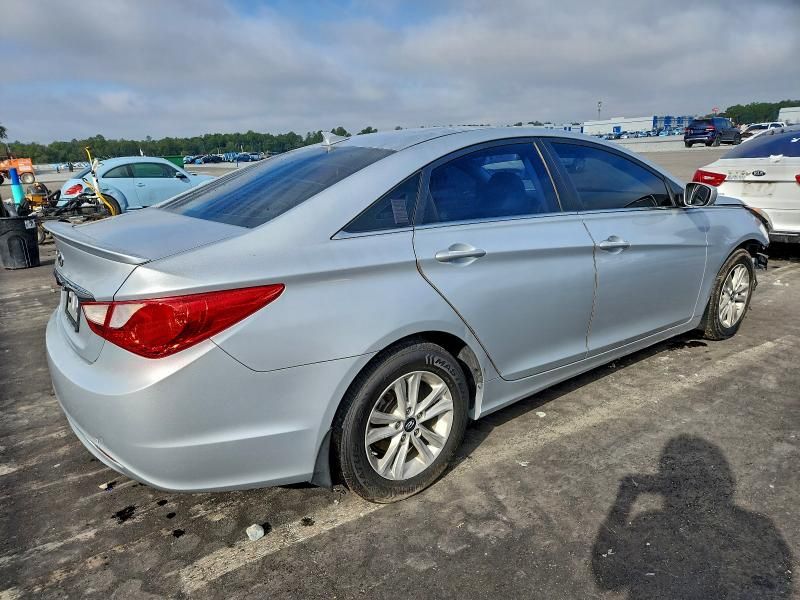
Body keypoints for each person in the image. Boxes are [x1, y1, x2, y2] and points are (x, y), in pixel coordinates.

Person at [592, 435, 792, 599]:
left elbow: (608, 576)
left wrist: (624, 498)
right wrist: (624, 498)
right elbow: (607, 575)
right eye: (681, 481)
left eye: (694, 480)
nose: (689, 491)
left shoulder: (650, 526)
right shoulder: (758, 527)